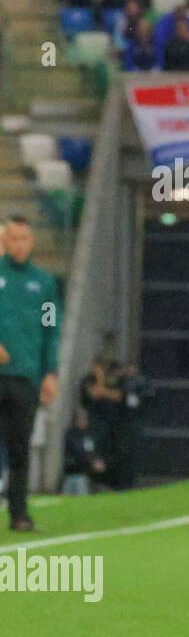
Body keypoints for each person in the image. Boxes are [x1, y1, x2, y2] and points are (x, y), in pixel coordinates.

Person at [0, 217, 61, 532]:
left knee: (19, 448)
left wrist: (51, 371)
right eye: (14, 238)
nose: (19, 244)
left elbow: (51, 327)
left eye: (24, 238)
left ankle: (19, 514)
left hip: (26, 376)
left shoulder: (44, 283)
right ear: (4, 241)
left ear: (31, 241)